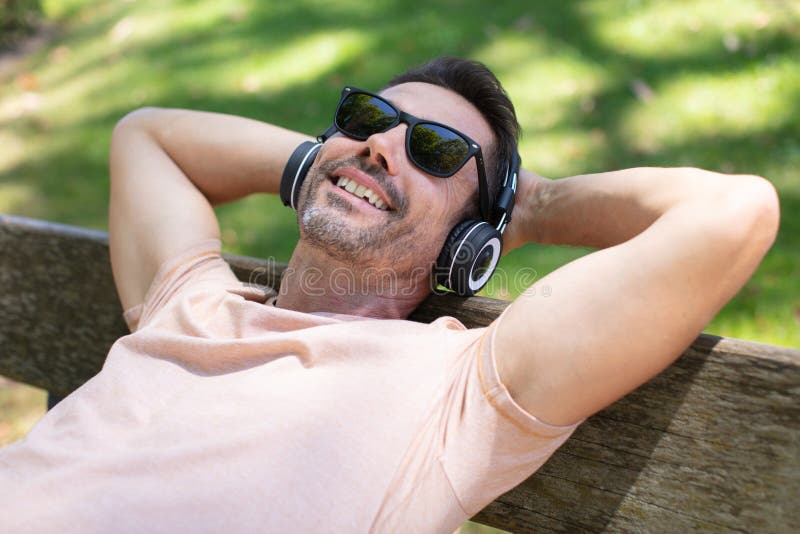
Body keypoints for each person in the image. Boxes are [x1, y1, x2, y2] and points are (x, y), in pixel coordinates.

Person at [0, 57, 779, 532]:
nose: (384, 142)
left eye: (436, 151)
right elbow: (146, 135)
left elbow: (732, 213)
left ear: (471, 250)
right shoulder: (192, 304)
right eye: (369, 117)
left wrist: (529, 206)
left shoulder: (459, 395)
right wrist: (334, 163)